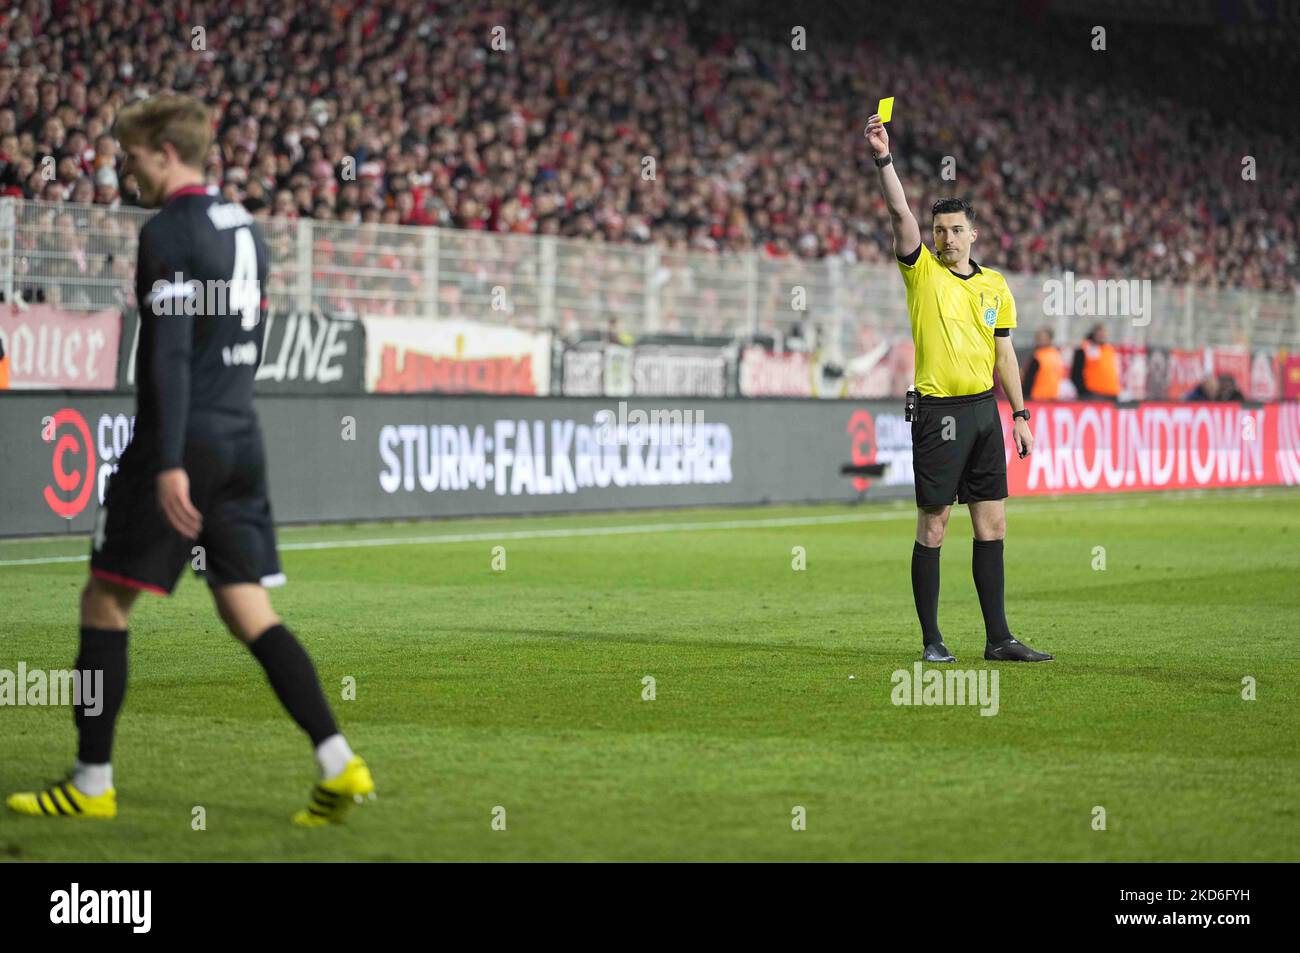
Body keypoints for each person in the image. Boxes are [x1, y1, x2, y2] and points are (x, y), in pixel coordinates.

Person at [7, 94, 374, 826]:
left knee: (104, 599)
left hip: (183, 444)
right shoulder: (247, 229)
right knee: (249, 609)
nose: (124, 171)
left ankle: (90, 781)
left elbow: (168, 353)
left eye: (133, 157)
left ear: (167, 151)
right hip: (242, 436)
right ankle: (339, 762)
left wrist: (169, 460)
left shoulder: (170, 233)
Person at [865, 111, 1052, 663]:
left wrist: (1019, 414)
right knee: (936, 524)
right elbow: (899, 211)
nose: (945, 238)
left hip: (983, 413)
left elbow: (1004, 353)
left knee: (992, 523)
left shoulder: (995, 286)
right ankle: (932, 640)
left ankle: (999, 639)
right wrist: (883, 157)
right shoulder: (920, 270)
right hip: (938, 413)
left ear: (973, 234)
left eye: (954, 230)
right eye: (939, 230)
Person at [1071, 323, 1120, 401]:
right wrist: (1083, 392)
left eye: (1103, 333)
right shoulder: (1085, 349)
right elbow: (1076, 372)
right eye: (1099, 334)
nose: (1102, 336)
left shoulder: (1109, 349)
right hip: (1093, 393)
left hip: (1111, 393)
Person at [1021, 327, 1065, 401]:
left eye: (1041, 338)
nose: (1039, 340)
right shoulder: (1057, 355)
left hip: (1036, 397)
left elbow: (1029, 379)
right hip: (1052, 397)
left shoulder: (1038, 356)